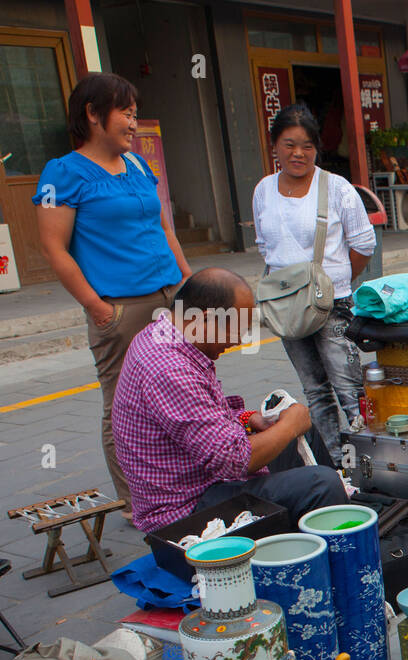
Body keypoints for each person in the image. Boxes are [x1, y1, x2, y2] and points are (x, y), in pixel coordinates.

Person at [34, 72, 191, 516]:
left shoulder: (139, 165)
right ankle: (135, 500)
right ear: (92, 114)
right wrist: (97, 307)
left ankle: (178, 477)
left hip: (167, 294)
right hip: (120, 307)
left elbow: (165, 228)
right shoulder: (61, 173)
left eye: (135, 113)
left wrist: (189, 284)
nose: (133, 122)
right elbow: (53, 247)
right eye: (125, 112)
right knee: (124, 401)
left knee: (180, 388)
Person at [112, 269, 348, 534]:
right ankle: (330, 551)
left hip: (204, 477)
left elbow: (204, 418)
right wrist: (290, 426)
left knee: (303, 436)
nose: (238, 340)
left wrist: (250, 420)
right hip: (184, 510)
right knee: (321, 483)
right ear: (205, 320)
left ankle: (333, 514)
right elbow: (235, 460)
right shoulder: (170, 369)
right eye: (238, 330)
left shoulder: (166, 334)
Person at [252, 104, 375, 468]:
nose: (298, 153)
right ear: (274, 145)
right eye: (289, 144)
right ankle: (340, 467)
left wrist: (334, 283)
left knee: (349, 390)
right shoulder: (263, 190)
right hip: (285, 307)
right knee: (315, 392)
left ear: (317, 148)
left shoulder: (335, 187)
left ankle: (367, 465)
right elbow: (265, 246)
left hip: (332, 305)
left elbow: (364, 244)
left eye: (307, 145)